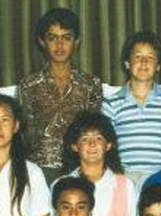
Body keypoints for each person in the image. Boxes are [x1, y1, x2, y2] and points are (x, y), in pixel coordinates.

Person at [16, 6, 103, 183]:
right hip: (40, 170)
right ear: (42, 42)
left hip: (80, 167)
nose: (59, 45)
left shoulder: (91, 84)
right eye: (52, 38)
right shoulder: (29, 85)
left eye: (66, 38)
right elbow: (25, 135)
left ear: (76, 41)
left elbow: (93, 131)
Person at [57, 111, 145, 216]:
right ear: (74, 146)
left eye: (98, 138)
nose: (92, 144)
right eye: (85, 139)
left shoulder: (125, 185)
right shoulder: (61, 185)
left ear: (108, 145)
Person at [102, 31, 161, 185]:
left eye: (151, 57)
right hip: (124, 178)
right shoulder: (111, 104)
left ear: (158, 65)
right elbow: (107, 148)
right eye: (138, 57)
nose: (144, 62)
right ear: (127, 63)